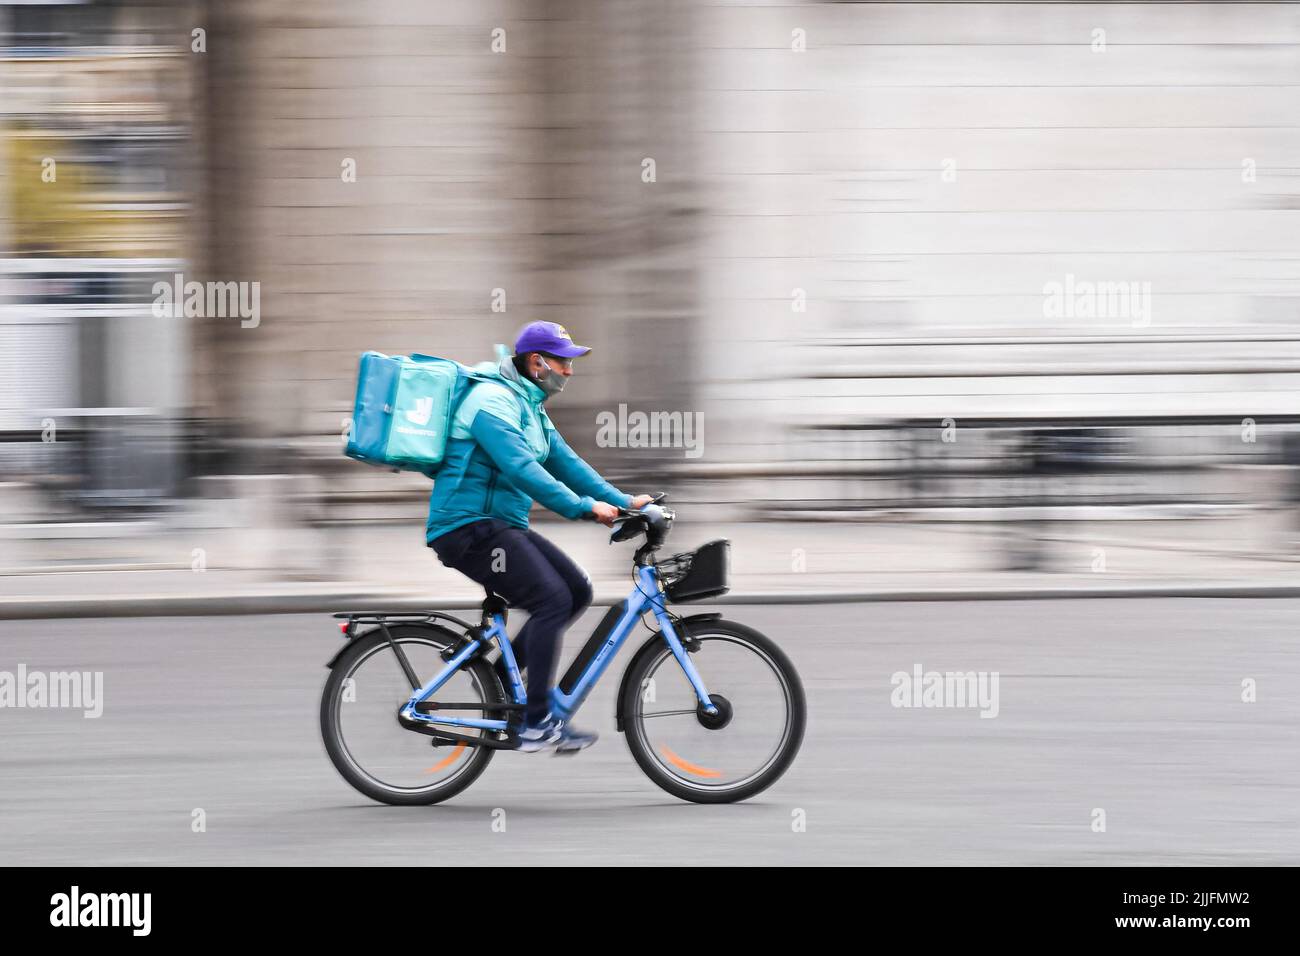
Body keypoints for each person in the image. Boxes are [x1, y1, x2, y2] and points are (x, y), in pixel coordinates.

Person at [426, 321, 653, 752]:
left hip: (498, 526)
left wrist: (624, 502)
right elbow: (520, 469)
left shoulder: (531, 408)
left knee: (576, 590)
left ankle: (498, 689)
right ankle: (535, 722)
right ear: (537, 362)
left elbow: (566, 464)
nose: (569, 371)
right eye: (564, 362)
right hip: (465, 528)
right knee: (550, 599)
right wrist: (582, 508)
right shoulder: (491, 401)